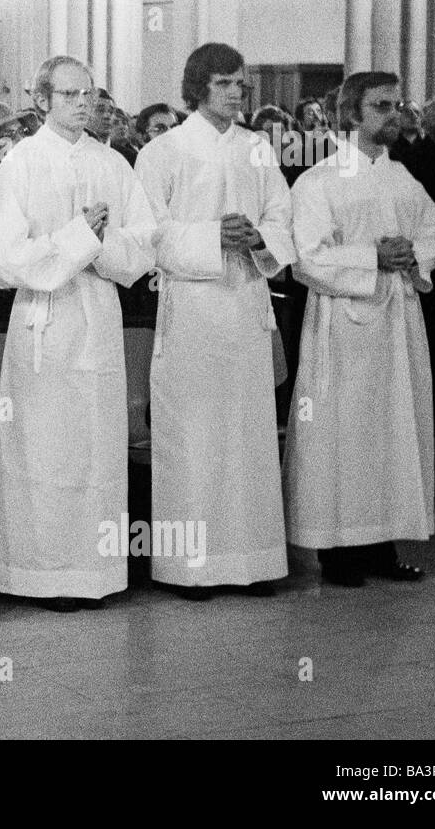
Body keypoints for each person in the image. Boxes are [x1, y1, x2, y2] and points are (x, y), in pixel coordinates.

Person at [0, 56, 156, 610]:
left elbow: (145, 242)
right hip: (45, 319)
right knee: (46, 447)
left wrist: (100, 246)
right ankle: (40, 571)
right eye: (70, 94)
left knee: (98, 445)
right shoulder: (21, 163)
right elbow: (5, 262)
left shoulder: (114, 164)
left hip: (98, 314)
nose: (83, 103)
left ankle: (94, 572)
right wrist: (79, 237)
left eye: (90, 93)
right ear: (42, 101)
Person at [135, 43, 296, 599]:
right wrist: (210, 236)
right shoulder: (164, 151)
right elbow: (148, 233)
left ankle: (252, 560)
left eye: (242, 85)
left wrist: (259, 237)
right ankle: (193, 567)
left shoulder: (256, 148)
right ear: (199, 85)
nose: (237, 93)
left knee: (249, 435)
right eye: (226, 83)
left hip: (246, 301)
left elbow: (282, 215)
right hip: (193, 311)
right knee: (193, 437)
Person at [284, 71, 435, 586]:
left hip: (398, 321)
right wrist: (369, 258)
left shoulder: (403, 176)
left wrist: (409, 256)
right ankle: (339, 553)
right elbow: (305, 261)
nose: (395, 115)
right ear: (352, 114)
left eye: (397, 105)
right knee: (343, 434)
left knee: (394, 430)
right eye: (381, 106)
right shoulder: (319, 181)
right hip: (343, 325)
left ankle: (383, 546)